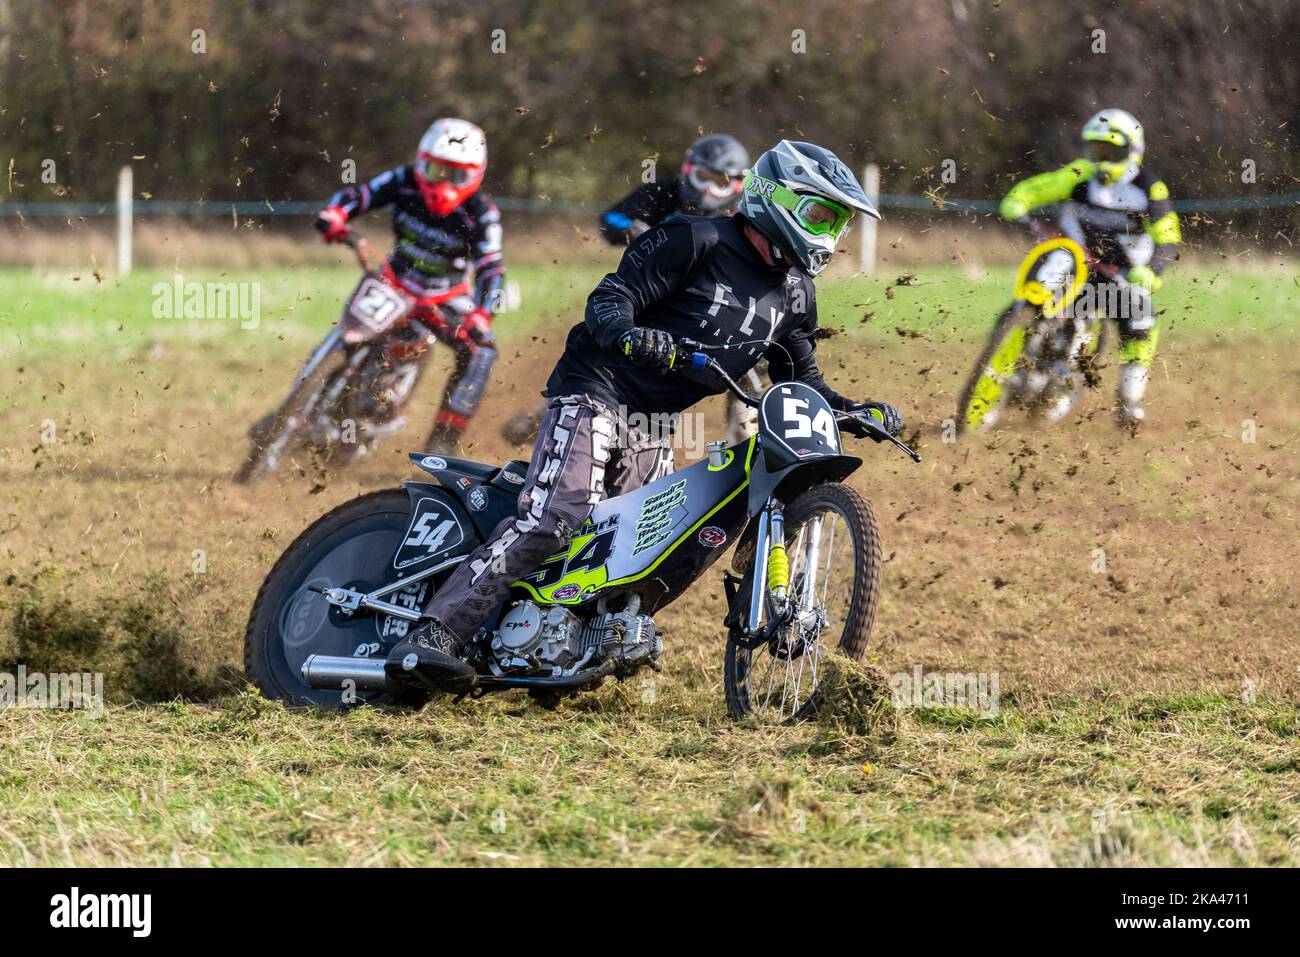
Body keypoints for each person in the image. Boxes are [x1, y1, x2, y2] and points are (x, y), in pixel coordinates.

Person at [386, 139, 904, 694]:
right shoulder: (695, 238)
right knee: (559, 512)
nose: (829, 233)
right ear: (775, 196)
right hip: (596, 386)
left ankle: (565, 651)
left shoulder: (798, 294)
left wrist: (856, 412)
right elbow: (609, 301)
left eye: (839, 223)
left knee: (639, 548)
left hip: (654, 419)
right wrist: (638, 338)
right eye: (821, 215)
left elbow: (804, 384)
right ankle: (436, 631)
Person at [500, 134, 759, 448]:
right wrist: (637, 231)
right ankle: (546, 415)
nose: (706, 189)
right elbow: (610, 217)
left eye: (718, 181)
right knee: (610, 355)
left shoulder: (745, 214)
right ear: (688, 170)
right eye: (702, 177)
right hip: (656, 298)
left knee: (748, 365)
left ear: (737, 184)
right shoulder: (665, 192)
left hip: (718, 307)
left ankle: (748, 443)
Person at [315, 117, 506, 453]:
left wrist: (482, 314)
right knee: (348, 332)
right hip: (394, 282)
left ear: (475, 175)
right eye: (437, 171)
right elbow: (362, 194)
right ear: (421, 164)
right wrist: (335, 215)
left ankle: (442, 445)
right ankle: (296, 407)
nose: (445, 184)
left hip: (445, 296)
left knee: (481, 352)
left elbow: (492, 267)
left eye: (458, 175)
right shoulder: (403, 180)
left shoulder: (482, 213)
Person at [998, 109, 1181, 427]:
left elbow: (1168, 237)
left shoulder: (1150, 188)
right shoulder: (1079, 175)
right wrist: (1019, 200)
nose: (1103, 159)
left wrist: (1151, 271)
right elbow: (1039, 188)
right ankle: (1018, 350)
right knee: (1037, 293)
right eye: (1097, 150)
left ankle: (1129, 400)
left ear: (1133, 151)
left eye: (1111, 151)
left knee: (1140, 321)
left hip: (1123, 273)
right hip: (1074, 263)